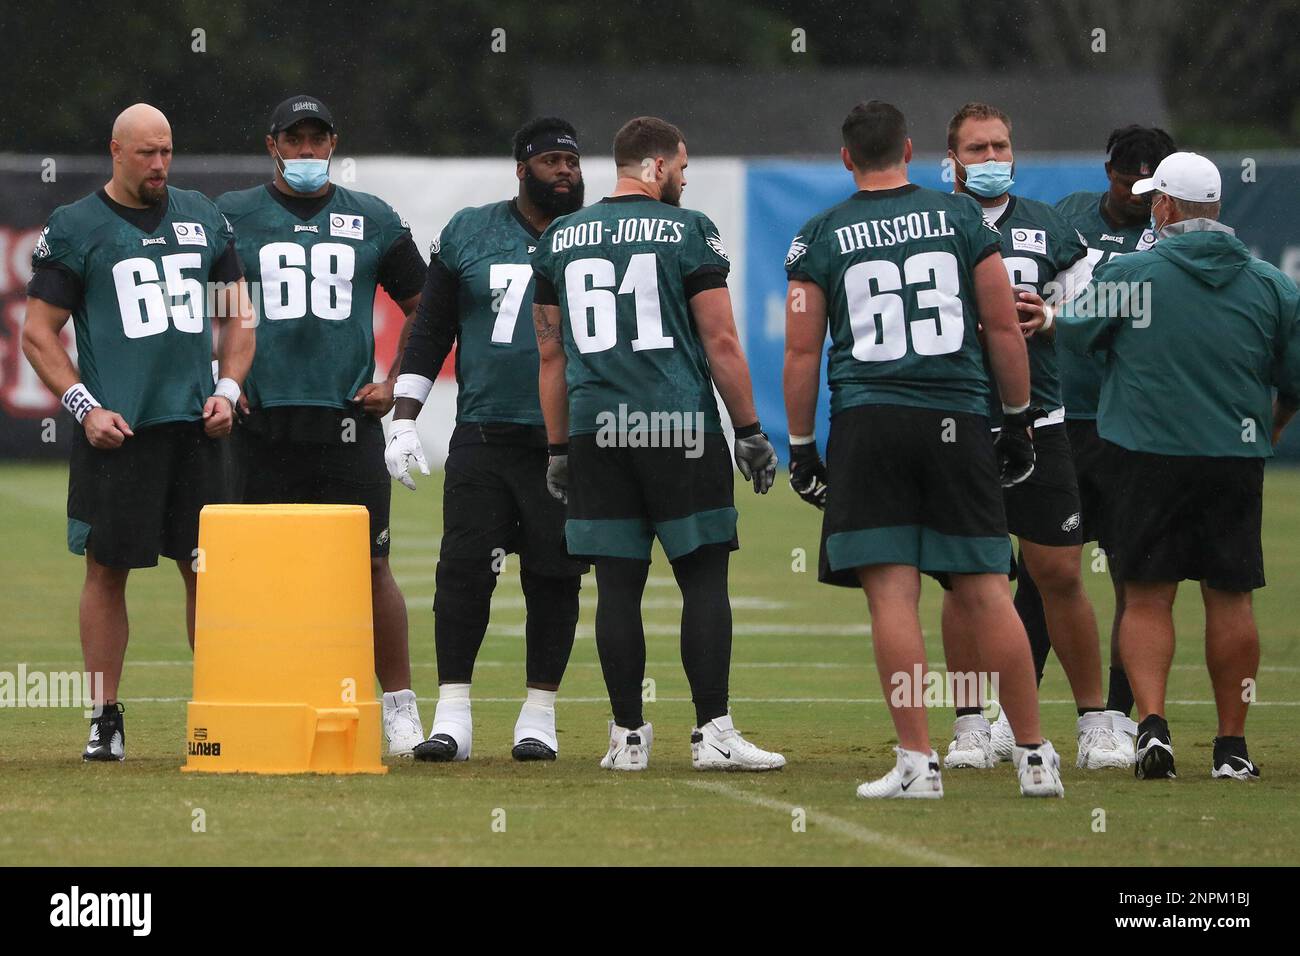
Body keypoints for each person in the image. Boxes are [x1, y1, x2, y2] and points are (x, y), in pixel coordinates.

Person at [782, 100, 1062, 798]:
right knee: (989, 590)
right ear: (910, 150)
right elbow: (1002, 327)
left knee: (893, 597)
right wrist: (1019, 420)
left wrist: (799, 445)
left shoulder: (821, 232)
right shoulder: (962, 217)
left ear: (847, 158)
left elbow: (801, 350)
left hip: (871, 421)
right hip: (957, 416)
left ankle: (918, 761)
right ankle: (1034, 757)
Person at [531, 115, 784, 772]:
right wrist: (751, 430)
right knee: (702, 576)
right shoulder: (688, 229)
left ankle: (627, 738)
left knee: (617, 585)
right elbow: (721, 343)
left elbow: (550, 356)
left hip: (597, 429)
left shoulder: (559, 237)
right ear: (660, 163)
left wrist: (558, 447)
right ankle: (714, 733)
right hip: (676, 425)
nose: (685, 176)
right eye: (683, 165)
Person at [21, 103, 255, 761]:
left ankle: (217, 707)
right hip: (118, 429)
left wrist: (229, 390)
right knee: (107, 570)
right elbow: (38, 333)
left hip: (196, 427)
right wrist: (83, 406)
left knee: (205, 568)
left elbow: (240, 318)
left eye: (167, 152)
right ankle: (104, 717)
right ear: (116, 151)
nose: (159, 165)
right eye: (147, 152)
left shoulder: (203, 217)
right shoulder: (76, 226)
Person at [1059, 151, 1300, 781]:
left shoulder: (1134, 273)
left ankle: (1154, 729)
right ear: (1216, 208)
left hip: (1145, 457)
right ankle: (1231, 747)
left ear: (1164, 205)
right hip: (1233, 460)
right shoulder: (1273, 284)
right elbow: (1295, 380)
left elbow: (1077, 336)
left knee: (1145, 598)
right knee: (1231, 600)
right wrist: (1265, 433)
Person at [216, 95, 428, 756]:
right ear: (272, 145)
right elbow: (203, 308)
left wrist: (393, 382)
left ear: (332, 142)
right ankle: (262, 697)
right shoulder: (233, 218)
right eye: (294, 140)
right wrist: (223, 379)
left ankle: (399, 706)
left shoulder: (370, 218)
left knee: (371, 564)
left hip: (345, 419)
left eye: (316, 140)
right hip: (260, 418)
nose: (306, 152)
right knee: (255, 568)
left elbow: (426, 308)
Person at [385, 117, 589, 762]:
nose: (565, 172)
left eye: (573, 162)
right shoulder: (472, 231)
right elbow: (430, 329)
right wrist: (402, 415)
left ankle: (539, 714)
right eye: (552, 160)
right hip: (484, 432)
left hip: (566, 438)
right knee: (464, 573)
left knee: (556, 575)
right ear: (522, 168)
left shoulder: (593, 238)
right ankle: (453, 716)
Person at [937, 103, 1130, 771]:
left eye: (1000, 145)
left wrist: (1051, 317)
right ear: (952, 159)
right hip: (956, 421)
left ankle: (1096, 722)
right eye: (977, 148)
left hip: (1040, 419)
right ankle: (968, 726)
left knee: (1060, 572)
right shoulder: (932, 224)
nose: (991, 159)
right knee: (965, 581)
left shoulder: (1050, 225)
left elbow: (1091, 304)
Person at [1047, 126, 1176, 734]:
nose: (1139, 196)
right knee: (1048, 567)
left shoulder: (1174, 234)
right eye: (1130, 184)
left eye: (1152, 187)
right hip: (1066, 417)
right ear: (1109, 174)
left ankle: (1120, 715)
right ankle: (1010, 714)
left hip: (1137, 423)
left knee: (1135, 571)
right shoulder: (1066, 216)